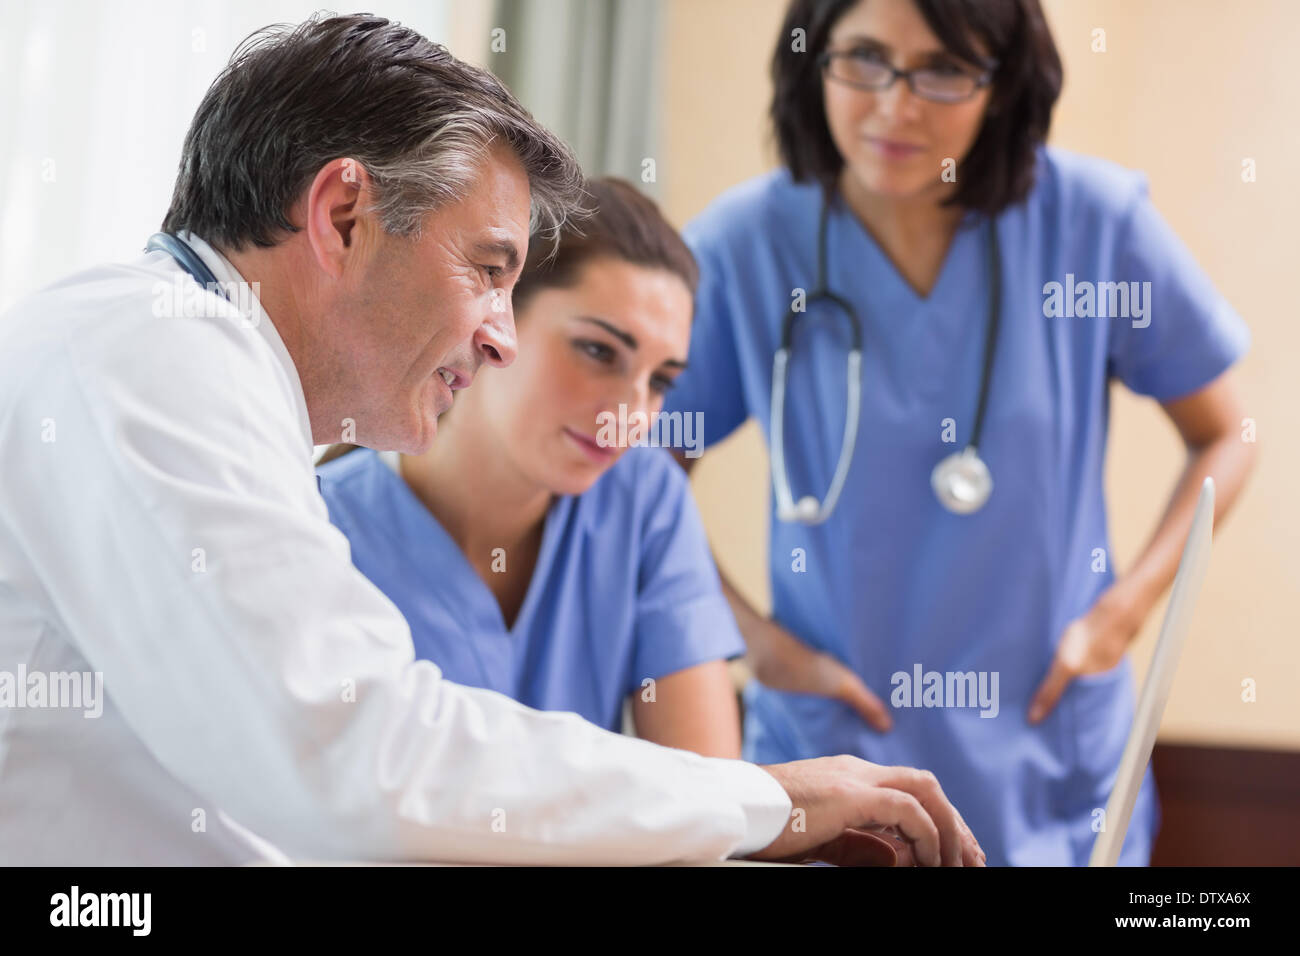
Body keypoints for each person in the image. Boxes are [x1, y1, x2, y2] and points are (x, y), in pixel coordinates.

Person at [0, 14, 982, 867]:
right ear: (343, 217)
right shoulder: (161, 352)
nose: (500, 334)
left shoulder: (188, 366)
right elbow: (358, 753)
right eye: (487, 268)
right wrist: (775, 800)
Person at [665, 0, 1255, 865]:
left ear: (1003, 81)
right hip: (840, 751)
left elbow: (1228, 433)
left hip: (1047, 754)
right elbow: (638, 467)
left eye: (942, 68)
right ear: (811, 61)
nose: (895, 106)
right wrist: (750, 640)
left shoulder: (1093, 225)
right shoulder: (747, 243)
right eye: (863, 57)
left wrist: (1122, 615)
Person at [316, 178, 744, 758]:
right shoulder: (320, 529)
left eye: (660, 381)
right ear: (495, 322)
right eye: (598, 352)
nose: (630, 416)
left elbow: (708, 801)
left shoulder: (644, 500)